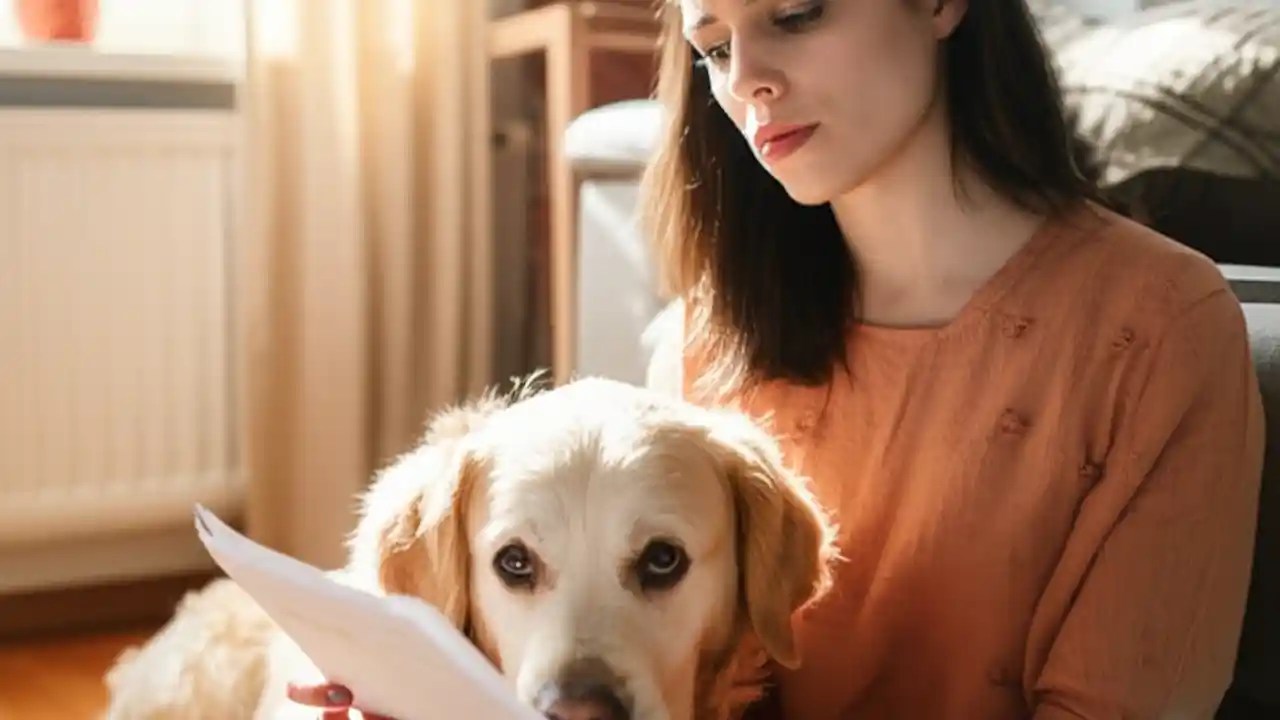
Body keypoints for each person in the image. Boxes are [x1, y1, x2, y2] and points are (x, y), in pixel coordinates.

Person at [288, 0, 1265, 718]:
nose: (747, 77)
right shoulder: (707, 335)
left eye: (793, 14)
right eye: (712, 47)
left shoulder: (1161, 328)